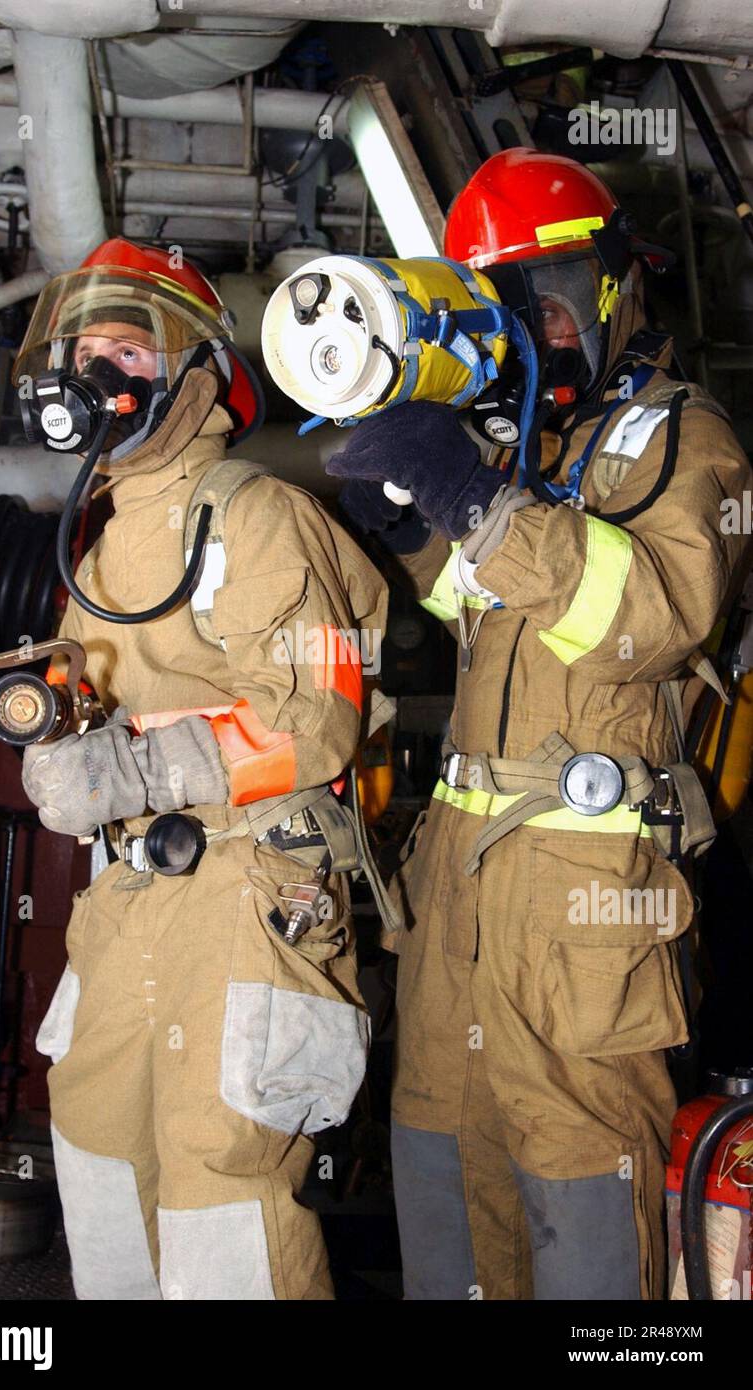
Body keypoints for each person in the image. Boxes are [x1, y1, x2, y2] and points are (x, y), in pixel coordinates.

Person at [329, 149, 753, 1300]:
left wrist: (477, 501)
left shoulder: (685, 438)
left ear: (616, 282)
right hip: (461, 896)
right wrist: (413, 530)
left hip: (584, 900)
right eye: (509, 297)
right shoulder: (541, 449)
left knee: (581, 1189)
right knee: (438, 1159)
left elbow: (657, 613)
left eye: (553, 286)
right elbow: (495, 608)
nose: (536, 321)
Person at [16, 237, 388, 1300]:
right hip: (133, 892)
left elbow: (316, 722)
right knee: (97, 1145)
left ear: (192, 371)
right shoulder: (101, 549)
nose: (92, 380)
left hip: (244, 892)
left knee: (220, 1183)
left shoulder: (258, 517)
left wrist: (134, 773)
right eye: (81, 354)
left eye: (124, 354)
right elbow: (94, 698)